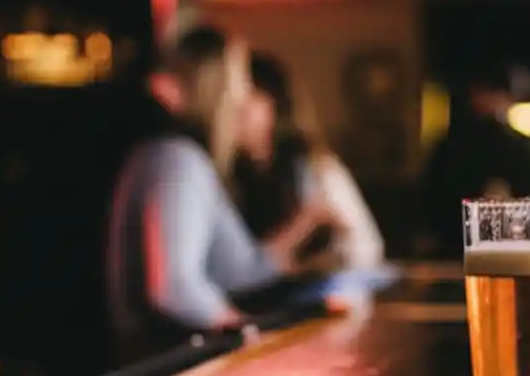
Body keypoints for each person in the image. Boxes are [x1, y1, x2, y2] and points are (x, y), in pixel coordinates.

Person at [107, 26, 329, 336]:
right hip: (165, 366)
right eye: (239, 80)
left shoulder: (181, 156)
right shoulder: (176, 158)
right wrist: (247, 331)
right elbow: (174, 288)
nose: (244, 96)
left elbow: (236, 272)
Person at [233, 52, 385, 270]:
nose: (234, 112)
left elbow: (366, 248)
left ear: (273, 105)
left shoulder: (316, 168)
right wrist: (304, 222)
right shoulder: (225, 172)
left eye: (247, 100)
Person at [420, 62, 530, 256]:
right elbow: (433, 202)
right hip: (457, 251)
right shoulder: (452, 147)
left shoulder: (520, 148)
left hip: (512, 252)